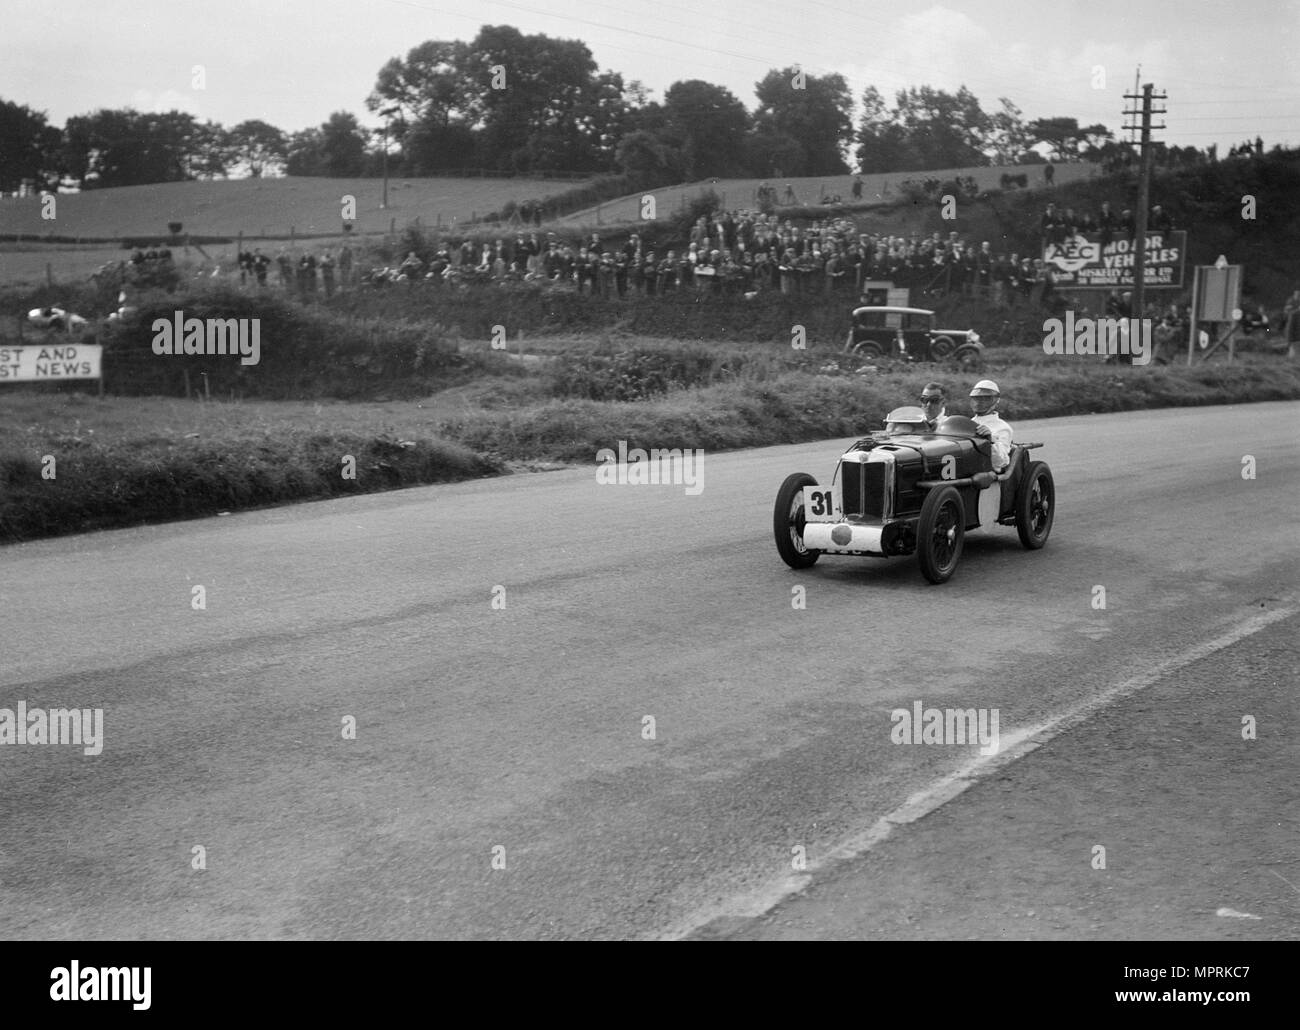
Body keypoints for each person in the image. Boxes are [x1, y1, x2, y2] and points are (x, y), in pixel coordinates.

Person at [968, 380, 1013, 471]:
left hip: (987, 477)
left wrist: (991, 440)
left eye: (986, 399)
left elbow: (1001, 462)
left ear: (996, 401)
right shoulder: (967, 423)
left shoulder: (1003, 428)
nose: (980, 402)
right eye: (977, 399)